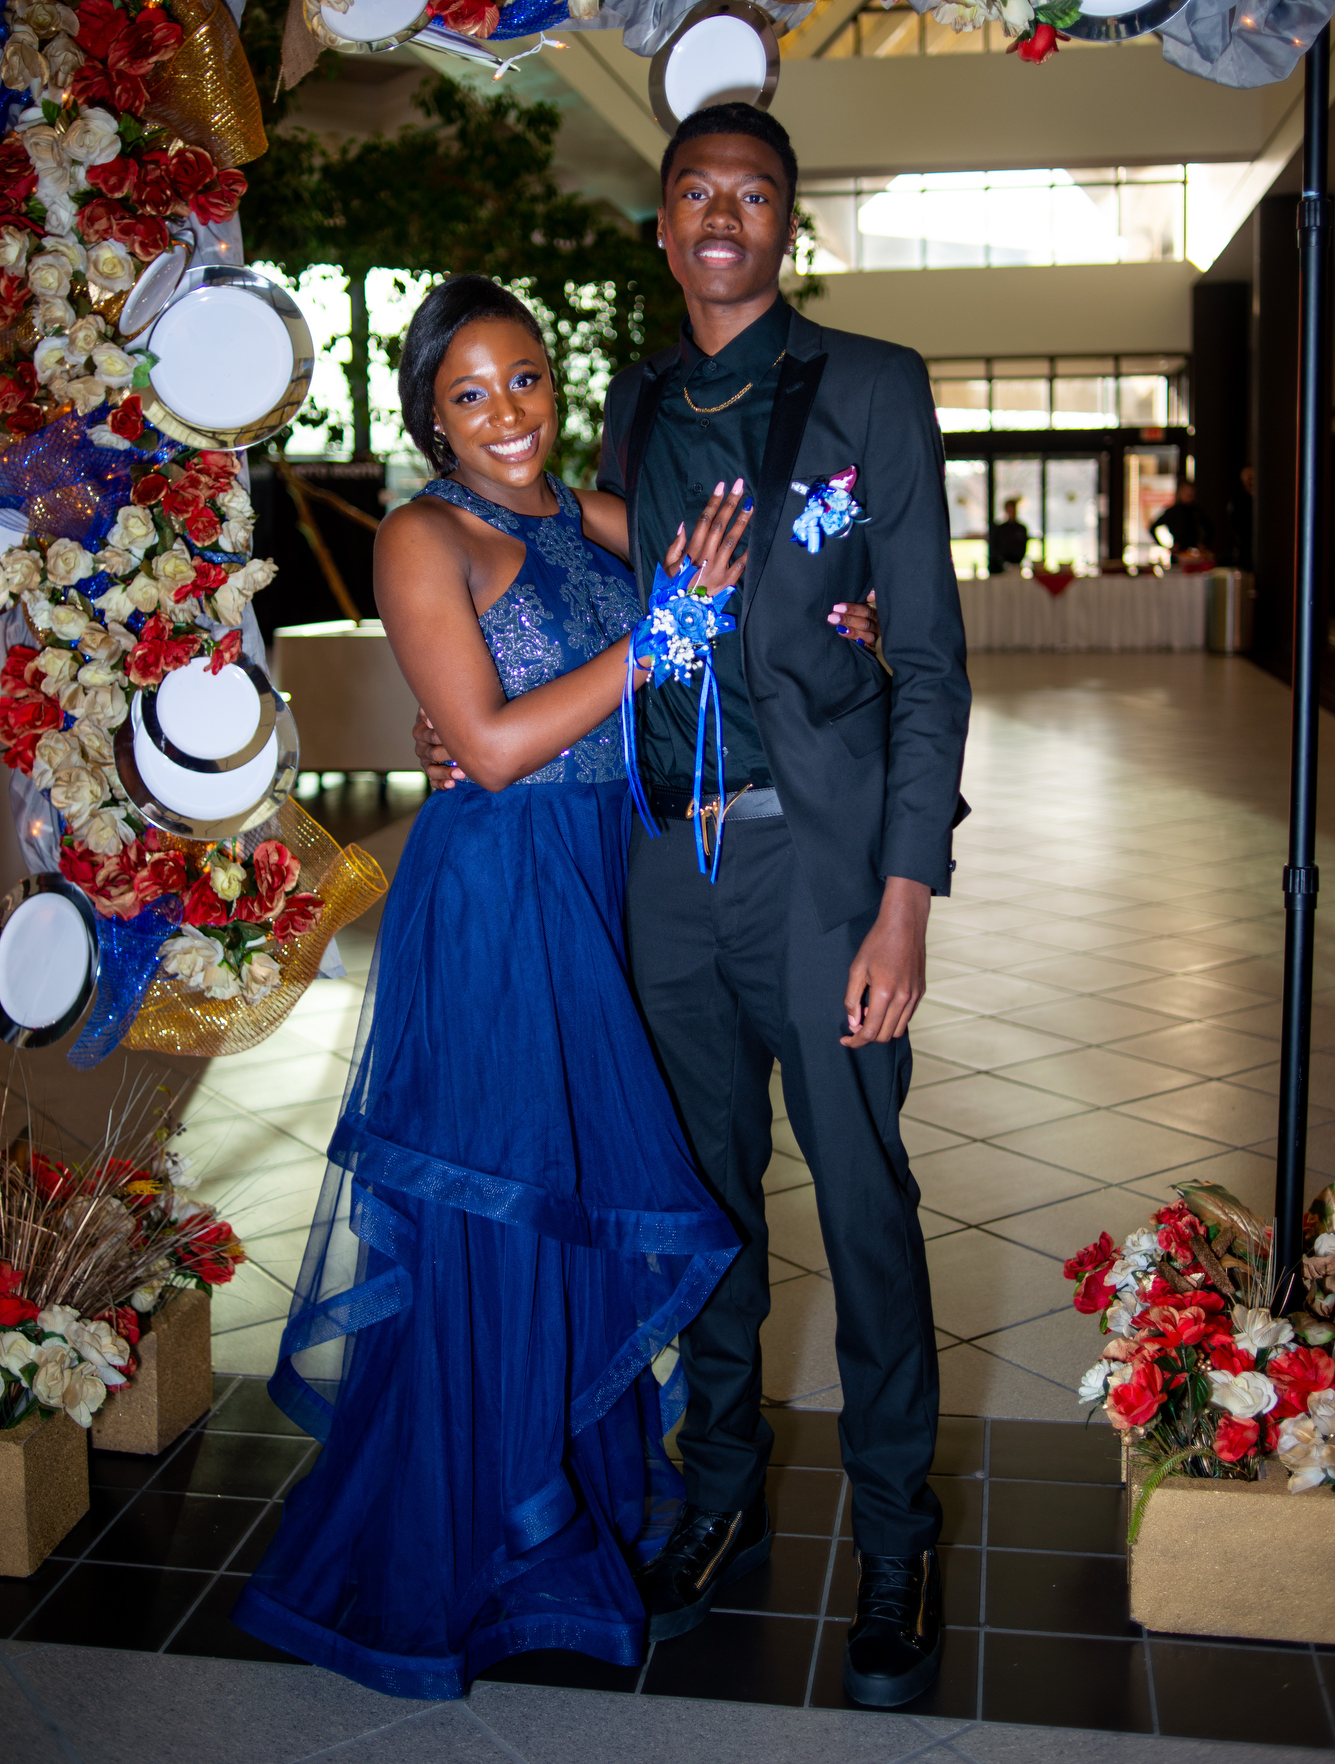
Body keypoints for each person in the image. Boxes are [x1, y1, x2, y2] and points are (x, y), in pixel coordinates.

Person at [235, 275, 876, 1697]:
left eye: (521, 379)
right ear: (428, 418)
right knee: (503, 1214)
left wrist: (843, 570)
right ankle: (478, 1543)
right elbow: (495, 743)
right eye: (468, 394)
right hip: (501, 891)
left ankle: (545, 1515)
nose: (505, 414)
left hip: (604, 879)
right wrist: (658, 639)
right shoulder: (420, 535)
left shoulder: (575, 513)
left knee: (571, 1214)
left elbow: (758, 539)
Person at [419, 102, 970, 1708]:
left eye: (750, 194)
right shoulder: (638, 400)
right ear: (659, 231)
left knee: (861, 1202)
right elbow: (570, 582)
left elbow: (927, 661)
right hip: (665, 868)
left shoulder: (873, 384)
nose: (719, 215)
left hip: (818, 860)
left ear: (780, 228)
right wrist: (456, 724)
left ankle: (893, 1534)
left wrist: (904, 899)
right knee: (698, 1206)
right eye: (692, 194)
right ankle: (716, 1490)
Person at [1150, 479, 1210, 558]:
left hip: (1195, 553)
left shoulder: (1197, 511)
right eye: (1187, 492)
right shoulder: (1173, 511)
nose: (1189, 494)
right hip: (1177, 554)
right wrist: (1165, 546)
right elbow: (1153, 527)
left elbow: (1209, 527)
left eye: (1191, 492)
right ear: (1181, 492)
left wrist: (1203, 544)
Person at [987, 495, 1029, 574]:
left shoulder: (1021, 528)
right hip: (1001, 563)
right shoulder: (1000, 529)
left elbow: (1022, 548)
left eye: (1012, 508)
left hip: (1016, 563)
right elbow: (995, 546)